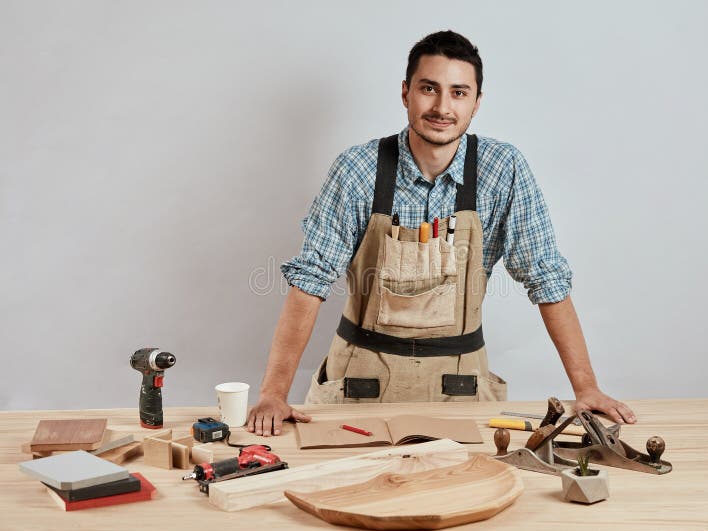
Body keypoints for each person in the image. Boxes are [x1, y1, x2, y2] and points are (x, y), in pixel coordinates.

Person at [247, 30, 637, 436]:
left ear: (477, 102)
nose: (442, 107)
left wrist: (586, 388)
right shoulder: (358, 170)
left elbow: (547, 277)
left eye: (458, 92)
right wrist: (274, 392)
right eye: (428, 89)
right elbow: (310, 280)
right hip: (358, 386)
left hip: (461, 389)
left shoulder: (502, 170)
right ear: (405, 93)